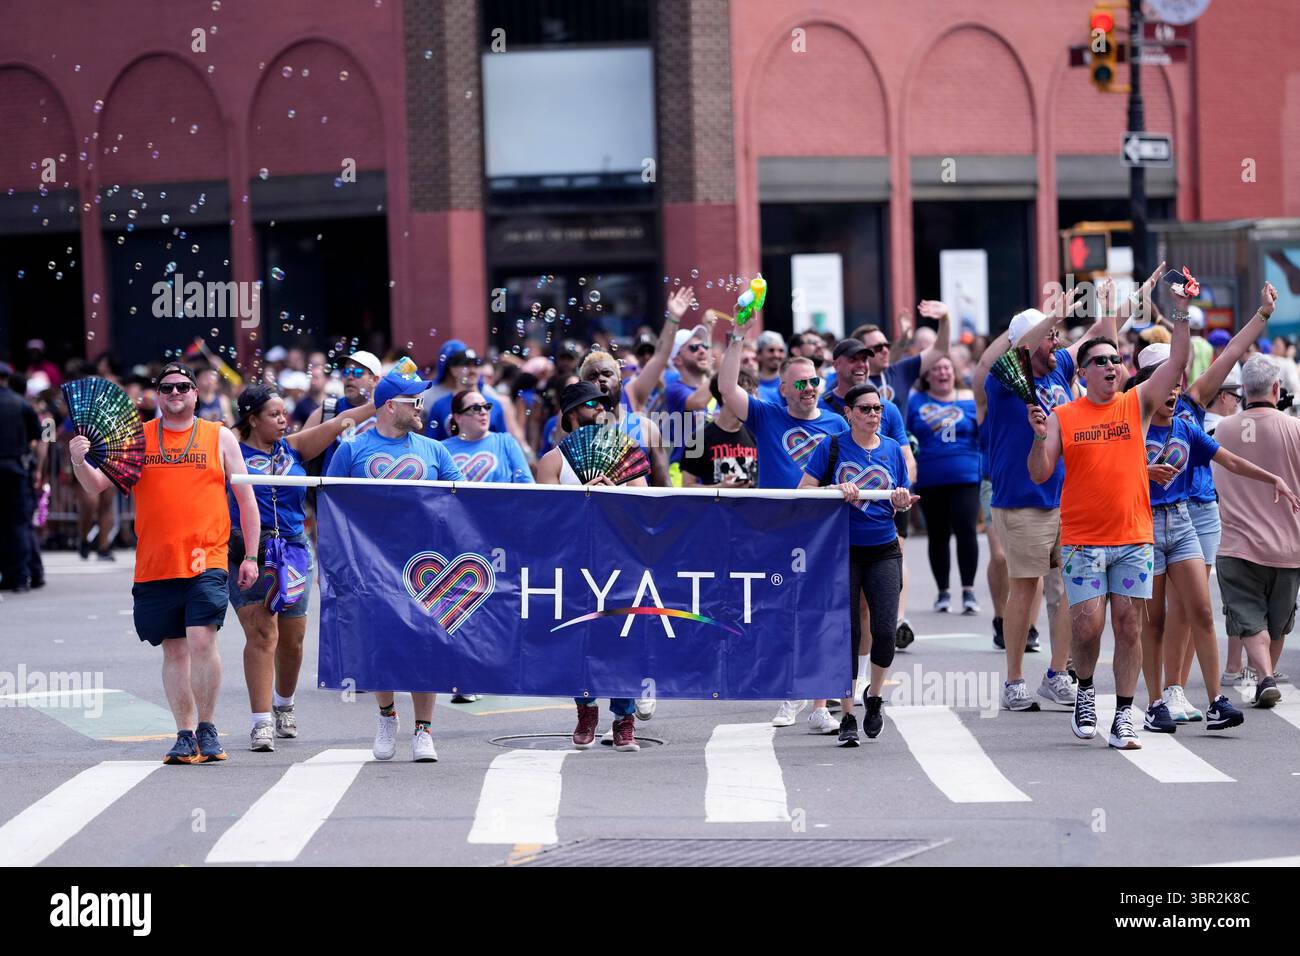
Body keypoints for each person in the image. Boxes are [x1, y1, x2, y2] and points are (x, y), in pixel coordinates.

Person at [1028, 286, 1246, 750]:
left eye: (1115, 361)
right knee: (1088, 626)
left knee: (1129, 624)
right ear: (1083, 372)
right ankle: (1086, 690)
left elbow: (1178, 361)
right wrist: (1037, 437)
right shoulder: (1064, 415)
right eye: (1101, 362)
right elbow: (1041, 471)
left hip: (1134, 537)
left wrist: (1181, 311)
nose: (1111, 367)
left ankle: (1124, 714)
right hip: (1084, 540)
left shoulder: (1138, 403)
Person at [978, 271, 1155, 712]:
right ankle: (1015, 678)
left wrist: (1120, 304)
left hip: (1068, 498)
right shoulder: (1003, 379)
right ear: (1029, 341)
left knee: (1070, 591)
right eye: (1048, 335)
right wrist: (1055, 311)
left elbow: (1100, 341)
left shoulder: (1059, 364)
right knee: (1027, 588)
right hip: (1021, 498)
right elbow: (1016, 348)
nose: (1055, 341)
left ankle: (1058, 673)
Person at [69, 361, 261, 764]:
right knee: (174, 651)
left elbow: (246, 499)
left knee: (202, 639)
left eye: (183, 387)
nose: (175, 394)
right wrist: (77, 460)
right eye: (167, 388)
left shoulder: (219, 437)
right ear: (158, 395)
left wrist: (252, 556)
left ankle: (208, 728)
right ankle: (184, 733)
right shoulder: (137, 438)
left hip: (207, 557)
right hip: (155, 563)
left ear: (196, 393)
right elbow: (97, 485)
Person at [1121, 358, 1298, 733]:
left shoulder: (1186, 427)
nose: (1171, 394)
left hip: (1183, 523)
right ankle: (1154, 704)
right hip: (1146, 526)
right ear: (1147, 392)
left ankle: (1217, 700)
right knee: (1155, 622)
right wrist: (1144, 471)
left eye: (1175, 388)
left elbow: (1230, 461)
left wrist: (1273, 480)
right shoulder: (1131, 429)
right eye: (1163, 387)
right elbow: (1110, 471)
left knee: (1201, 611)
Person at [326, 358, 465, 762]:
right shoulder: (352, 449)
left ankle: (424, 730)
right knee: (377, 645)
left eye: (420, 400)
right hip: (369, 567)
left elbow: (463, 506)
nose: (420, 406)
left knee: (427, 645)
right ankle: (387, 716)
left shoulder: (435, 450)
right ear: (389, 405)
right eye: (412, 400)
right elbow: (331, 506)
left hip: (426, 565)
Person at [718, 313, 849, 733]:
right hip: (775, 531)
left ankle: (819, 705)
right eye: (801, 383)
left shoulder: (837, 424)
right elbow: (726, 388)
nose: (809, 389)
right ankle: (788, 694)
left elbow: (852, 472)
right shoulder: (767, 415)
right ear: (784, 388)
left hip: (824, 533)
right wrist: (737, 336)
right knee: (780, 613)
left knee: (820, 614)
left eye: (814, 381)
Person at [229, 383, 375, 751]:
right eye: (274, 415)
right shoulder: (229, 448)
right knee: (263, 634)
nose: (283, 420)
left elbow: (342, 421)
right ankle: (260, 722)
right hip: (248, 551)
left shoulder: (291, 447)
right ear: (251, 419)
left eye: (284, 413)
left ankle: (284, 705)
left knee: (292, 643)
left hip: (294, 551)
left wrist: (378, 403)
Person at [799, 384, 917, 745]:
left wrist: (901, 501)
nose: (873, 415)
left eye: (877, 409)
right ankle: (848, 712)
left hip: (883, 548)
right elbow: (804, 491)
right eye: (864, 409)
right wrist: (836, 491)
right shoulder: (832, 447)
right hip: (841, 550)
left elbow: (903, 498)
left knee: (884, 631)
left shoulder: (893, 450)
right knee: (845, 633)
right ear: (848, 413)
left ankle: (875, 696)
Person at [536, 382, 649, 752]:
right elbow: (547, 516)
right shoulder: (553, 460)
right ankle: (586, 710)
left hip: (620, 559)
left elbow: (644, 506)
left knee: (624, 638)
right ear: (571, 415)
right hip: (573, 562)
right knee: (578, 639)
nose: (600, 411)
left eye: (604, 405)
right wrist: (583, 495)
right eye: (590, 406)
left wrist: (614, 492)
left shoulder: (625, 451)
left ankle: (624, 718)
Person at [1212, 353, 1300, 706]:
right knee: (1277, 623)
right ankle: (1265, 676)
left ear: (1244, 390)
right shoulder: (1295, 429)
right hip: (1288, 545)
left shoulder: (1224, 429)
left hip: (1237, 544)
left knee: (1250, 619)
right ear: (1277, 388)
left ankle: (1264, 676)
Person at [908, 356, 981, 614]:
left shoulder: (968, 396)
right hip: (930, 478)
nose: (942, 372)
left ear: (954, 372)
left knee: (966, 530)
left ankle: (969, 591)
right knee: (938, 535)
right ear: (927, 375)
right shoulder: (915, 400)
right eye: (936, 368)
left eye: (946, 368)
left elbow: (982, 432)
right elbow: (907, 435)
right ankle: (943, 592)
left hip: (966, 476)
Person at [568, 349, 670, 487]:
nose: (600, 379)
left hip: (637, 507)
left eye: (607, 374)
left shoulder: (646, 428)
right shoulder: (574, 429)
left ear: (620, 382)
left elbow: (664, 487)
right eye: (592, 376)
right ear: (582, 387)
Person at [303, 349, 381, 475]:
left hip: (369, 492)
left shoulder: (385, 412)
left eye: (357, 373)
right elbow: (300, 447)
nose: (349, 377)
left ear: (375, 380)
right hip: (329, 491)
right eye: (346, 372)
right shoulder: (329, 409)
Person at [0, 363, 41, 591]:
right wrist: (38, 468)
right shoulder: (21, 404)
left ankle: (9, 575)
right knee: (18, 524)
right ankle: (20, 577)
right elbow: (40, 436)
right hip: (15, 468)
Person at [679, 371, 758, 488]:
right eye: (748, 394)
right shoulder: (698, 439)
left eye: (755, 394)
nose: (754, 400)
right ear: (725, 397)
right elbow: (687, 486)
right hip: (715, 506)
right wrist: (720, 488)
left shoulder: (756, 433)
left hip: (751, 506)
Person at [442, 389, 534, 484]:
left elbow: (527, 484)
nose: (484, 412)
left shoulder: (506, 442)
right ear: (458, 417)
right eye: (475, 408)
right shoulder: (442, 448)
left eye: (486, 407)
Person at [754, 331, 786, 404]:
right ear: (759, 354)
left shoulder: (789, 382)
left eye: (781, 351)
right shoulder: (750, 382)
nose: (776, 355)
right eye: (771, 350)